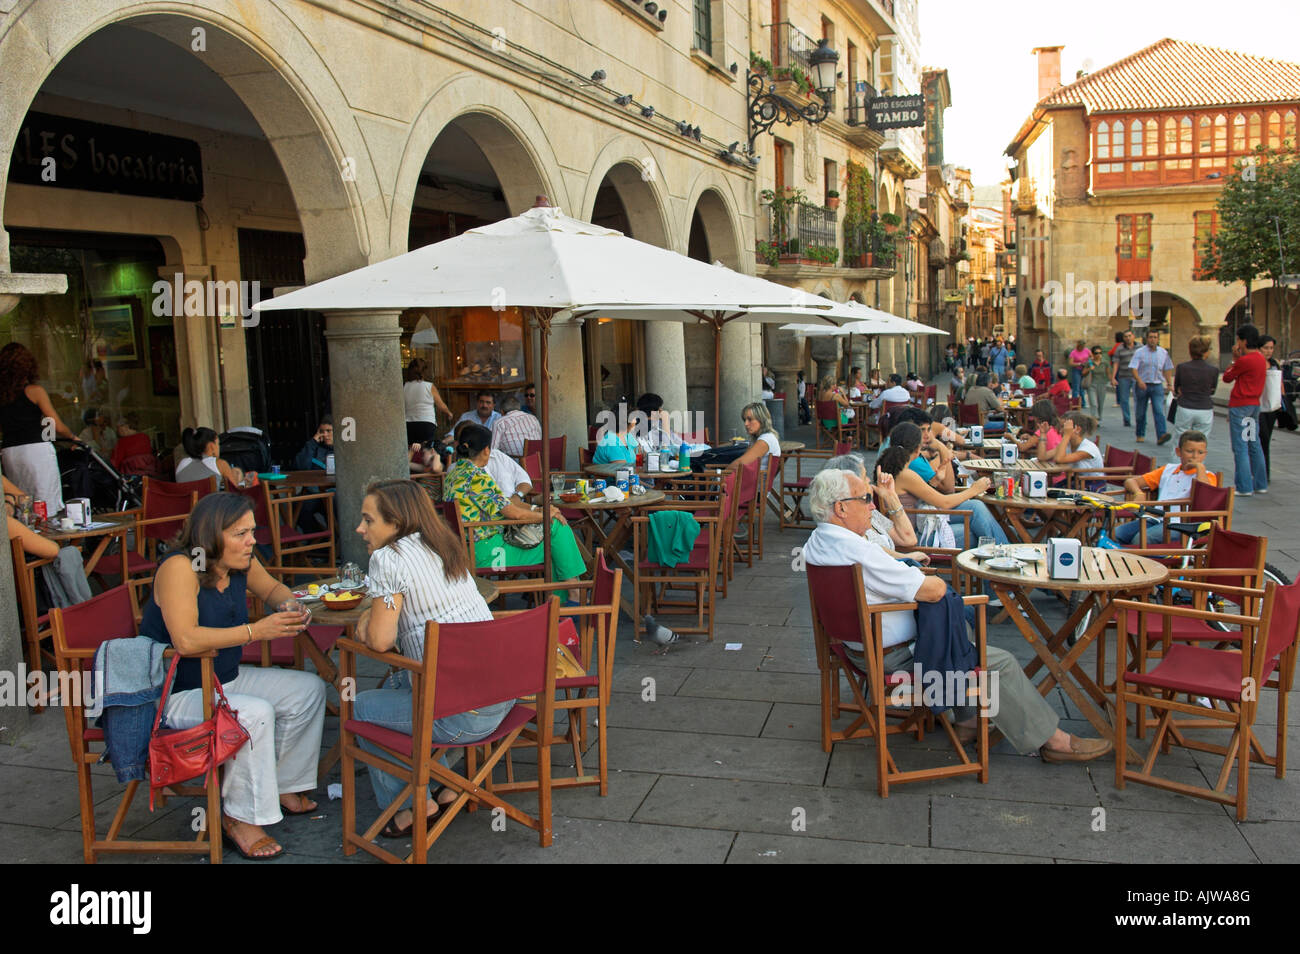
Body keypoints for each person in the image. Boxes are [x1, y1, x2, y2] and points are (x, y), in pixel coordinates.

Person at [802, 468, 1111, 763]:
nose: (872, 507)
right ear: (841, 508)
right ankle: (1054, 743)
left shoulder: (817, 544)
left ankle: (967, 721)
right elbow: (933, 591)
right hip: (894, 659)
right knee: (996, 660)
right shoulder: (861, 552)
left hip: (856, 651)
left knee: (959, 631)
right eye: (865, 499)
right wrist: (929, 579)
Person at [141, 492, 328, 859]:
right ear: (211, 536)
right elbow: (186, 639)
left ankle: (284, 784)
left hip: (222, 678)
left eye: (252, 531)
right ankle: (238, 817)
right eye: (241, 533)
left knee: (308, 690)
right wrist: (256, 632)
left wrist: (289, 605)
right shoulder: (180, 568)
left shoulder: (239, 562)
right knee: (255, 714)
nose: (252, 540)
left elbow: (272, 588)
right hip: (176, 693)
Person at [351, 479, 512, 836]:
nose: (359, 529)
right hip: (503, 697)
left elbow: (378, 640)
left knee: (360, 705)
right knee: (397, 681)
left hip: (462, 716)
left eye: (368, 520)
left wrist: (365, 620)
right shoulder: (442, 543)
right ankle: (446, 779)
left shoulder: (387, 558)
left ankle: (411, 804)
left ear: (396, 523)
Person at [443, 424, 585, 582]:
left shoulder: (453, 473)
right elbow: (514, 513)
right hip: (489, 555)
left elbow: (504, 504)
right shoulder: (477, 477)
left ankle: (566, 597)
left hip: (467, 550)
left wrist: (538, 510)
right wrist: (546, 514)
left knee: (557, 543)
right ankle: (573, 593)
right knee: (558, 532)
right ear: (486, 450)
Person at [881, 421, 1007, 547]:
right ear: (918, 448)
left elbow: (913, 497)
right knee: (974, 530)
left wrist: (935, 480)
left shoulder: (897, 469)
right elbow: (944, 502)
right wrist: (974, 490)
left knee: (976, 508)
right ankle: (1004, 552)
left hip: (920, 524)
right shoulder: (905, 474)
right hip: (917, 536)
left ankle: (1003, 552)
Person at [0, 342, 76, 514]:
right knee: (45, 503)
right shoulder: (35, 391)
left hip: (10, 452)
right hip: (36, 450)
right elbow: (55, 424)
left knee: (21, 503)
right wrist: (72, 436)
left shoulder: (2, 396)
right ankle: (48, 538)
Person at [1117, 430, 1215, 545]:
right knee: (1117, 533)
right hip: (1155, 518)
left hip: (1181, 524)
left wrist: (1200, 467)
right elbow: (1130, 481)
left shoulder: (1208, 475)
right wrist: (1139, 493)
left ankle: (1143, 562)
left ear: (1205, 454)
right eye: (1189, 451)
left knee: (1140, 539)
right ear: (1178, 452)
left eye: (1200, 453)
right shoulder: (1168, 469)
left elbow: (1205, 495)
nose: (1195, 456)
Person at [1221, 323, 1268, 496]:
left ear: (1244, 340)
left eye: (1239, 340)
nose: (1237, 344)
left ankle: (1244, 486)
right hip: (1254, 405)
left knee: (1240, 446)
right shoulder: (1261, 358)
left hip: (1240, 405)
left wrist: (1234, 358)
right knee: (1254, 443)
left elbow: (1227, 377)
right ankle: (1260, 484)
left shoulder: (1244, 360)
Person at [1170, 334, 1218, 459]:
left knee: (1179, 440)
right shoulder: (1213, 370)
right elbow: (1212, 390)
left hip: (1186, 406)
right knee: (1201, 442)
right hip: (1204, 407)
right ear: (1206, 352)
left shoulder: (1182, 367)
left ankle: (1175, 469)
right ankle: (1197, 470)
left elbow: (1177, 388)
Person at [453, 420, 529, 499]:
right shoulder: (479, 477)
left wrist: (517, 497)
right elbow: (506, 508)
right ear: (486, 449)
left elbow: (524, 480)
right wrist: (536, 509)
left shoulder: (457, 471)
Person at [1129, 329, 1173, 445]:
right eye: (1150, 337)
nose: (1152, 339)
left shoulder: (1163, 353)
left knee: (1159, 410)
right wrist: (1139, 381)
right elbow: (1133, 368)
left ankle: (1161, 435)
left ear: (1158, 339)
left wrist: (1169, 384)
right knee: (1141, 411)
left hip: (1157, 385)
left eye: (1155, 337)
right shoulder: (1140, 352)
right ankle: (1140, 433)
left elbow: (1167, 368)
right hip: (1142, 385)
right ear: (1146, 339)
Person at [1041, 411, 1103, 488]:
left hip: (1091, 484)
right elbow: (1043, 457)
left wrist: (1066, 435)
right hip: (1077, 481)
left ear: (1077, 429)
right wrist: (1043, 434)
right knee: (1049, 491)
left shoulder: (1087, 449)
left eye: (1064, 427)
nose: (1060, 431)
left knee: (1053, 492)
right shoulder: (1068, 444)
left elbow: (1059, 459)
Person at [403, 358, 452, 447]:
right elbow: (440, 405)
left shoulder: (405, 386)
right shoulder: (429, 386)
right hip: (426, 424)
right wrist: (448, 412)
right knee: (427, 450)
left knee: (412, 451)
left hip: (409, 424)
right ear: (425, 371)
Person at [176, 427, 244, 488]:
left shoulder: (181, 464)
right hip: (211, 502)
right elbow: (235, 491)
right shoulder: (220, 464)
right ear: (211, 446)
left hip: (187, 502)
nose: (219, 447)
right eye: (218, 444)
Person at [726, 401, 782, 473]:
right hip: (751, 481)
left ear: (762, 420)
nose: (746, 424)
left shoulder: (765, 440)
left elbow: (740, 464)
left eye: (750, 419)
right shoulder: (764, 437)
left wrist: (720, 477)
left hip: (753, 483)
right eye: (745, 420)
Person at [1258, 335, 1281, 479]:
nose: (1269, 351)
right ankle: (1261, 472)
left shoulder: (1274, 364)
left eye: (1271, 348)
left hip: (1272, 407)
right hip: (1258, 406)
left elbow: (1280, 383)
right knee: (1261, 439)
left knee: (1266, 440)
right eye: (1266, 348)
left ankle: (1265, 473)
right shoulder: (1256, 363)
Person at [1111, 329, 1137, 427]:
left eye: (1129, 336)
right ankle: (1127, 419)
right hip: (1123, 376)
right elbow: (1116, 363)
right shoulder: (1120, 348)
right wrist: (1113, 377)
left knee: (1138, 398)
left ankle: (1139, 418)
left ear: (1133, 336)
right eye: (1126, 336)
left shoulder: (1140, 347)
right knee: (1124, 399)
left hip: (1136, 377)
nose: (1128, 338)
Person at [1084, 345, 1109, 422]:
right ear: (1093, 354)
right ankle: (1094, 420)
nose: (1098, 355)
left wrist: (1112, 380)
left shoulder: (1105, 362)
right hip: (1092, 384)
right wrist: (1089, 369)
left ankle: (1099, 416)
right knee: (1094, 404)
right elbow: (1083, 373)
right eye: (1096, 353)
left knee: (1100, 403)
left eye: (1100, 353)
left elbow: (1108, 373)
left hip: (1102, 384)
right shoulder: (1089, 363)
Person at [1067, 340, 1091, 407]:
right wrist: (1079, 364)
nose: (1082, 348)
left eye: (1083, 346)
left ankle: (1083, 403)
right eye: (1081, 346)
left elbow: (1091, 357)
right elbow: (1070, 363)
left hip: (1085, 370)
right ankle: (1074, 403)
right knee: (1076, 387)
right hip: (1076, 370)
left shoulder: (1087, 350)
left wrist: (1088, 363)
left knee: (1082, 387)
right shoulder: (1073, 353)